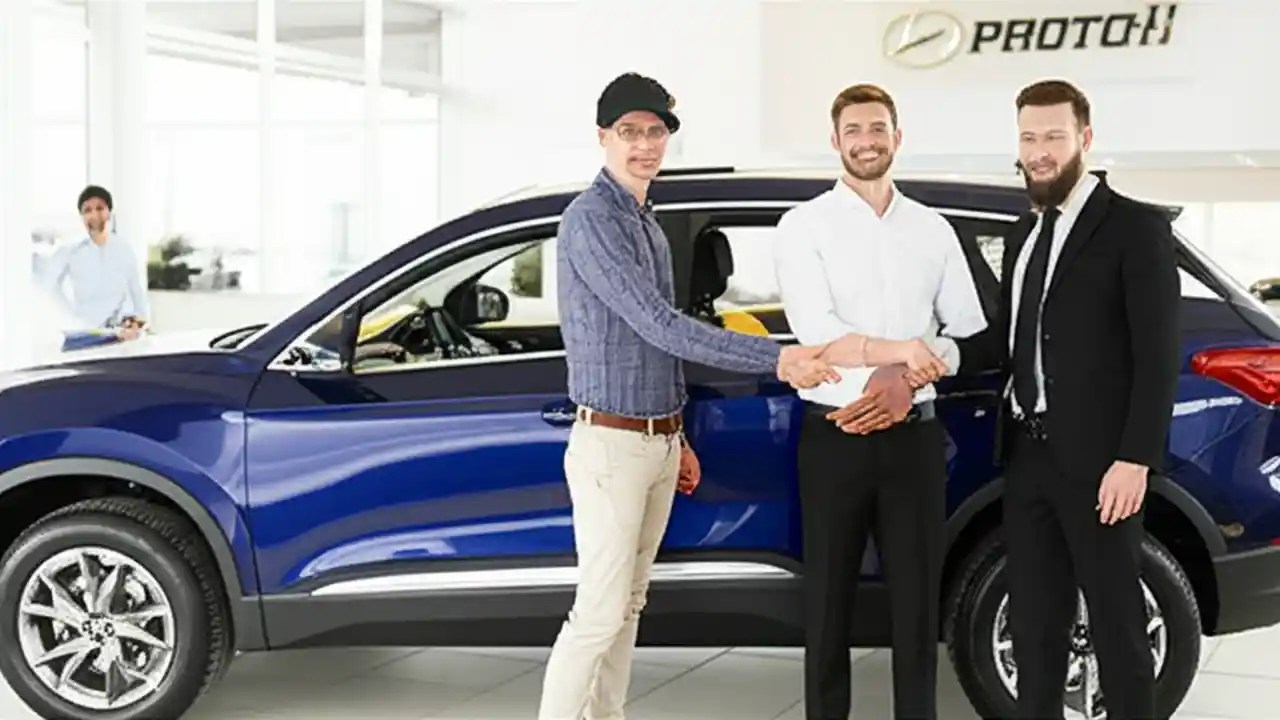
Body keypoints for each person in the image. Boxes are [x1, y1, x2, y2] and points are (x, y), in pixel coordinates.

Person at [537, 72, 914, 720]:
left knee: (626, 607)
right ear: (603, 137)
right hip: (611, 446)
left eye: (655, 132)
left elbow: (652, 343)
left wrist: (673, 430)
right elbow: (656, 322)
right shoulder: (592, 220)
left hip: (651, 442)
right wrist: (779, 358)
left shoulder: (645, 221)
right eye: (629, 132)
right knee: (597, 615)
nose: (644, 145)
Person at [772, 83, 990, 720]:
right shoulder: (803, 225)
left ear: (898, 136)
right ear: (835, 140)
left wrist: (909, 381)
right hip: (833, 433)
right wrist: (902, 353)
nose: (866, 141)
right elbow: (818, 334)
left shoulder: (933, 228)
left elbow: (968, 333)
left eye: (878, 128)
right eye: (854, 130)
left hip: (913, 438)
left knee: (918, 607)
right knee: (827, 606)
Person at [996, 79, 1180, 718]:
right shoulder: (1023, 234)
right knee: (1035, 631)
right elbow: (1014, 339)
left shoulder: (1135, 229)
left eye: (1053, 137)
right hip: (1028, 458)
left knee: (1116, 628)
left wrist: (1136, 458)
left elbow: (1159, 357)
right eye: (1028, 138)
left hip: (1104, 466)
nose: (1039, 152)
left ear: (1085, 139)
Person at [40, 185, 149, 341]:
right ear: (82, 216)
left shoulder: (124, 249)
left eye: (99, 208)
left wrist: (137, 326)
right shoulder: (71, 251)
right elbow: (47, 285)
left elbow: (138, 294)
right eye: (88, 210)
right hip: (84, 334)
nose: (94, 215)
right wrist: (68, 317)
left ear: (109, 213)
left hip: (119, 335)